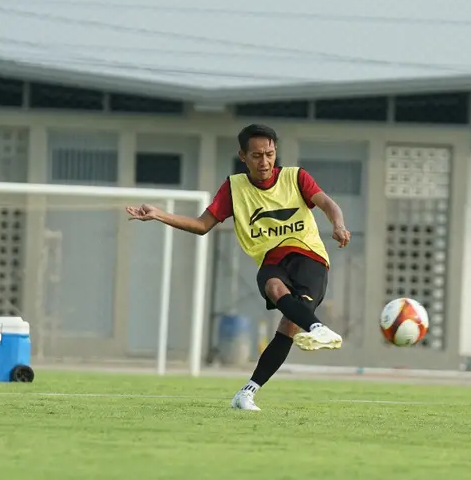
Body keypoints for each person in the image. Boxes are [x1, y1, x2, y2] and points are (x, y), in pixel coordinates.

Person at [126, 123, 350, 411]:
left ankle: (246, 392)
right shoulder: (234, 188)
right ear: (243, 156)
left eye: (269, 154)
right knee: (272, 287)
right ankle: (317, 328)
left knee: (289, 324)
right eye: (256, 155)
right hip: (271, 260)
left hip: (309, 256)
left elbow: (329, 205)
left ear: (275, 152)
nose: (265, 162)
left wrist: (339, 224)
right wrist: (159, 215)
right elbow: (201, 225)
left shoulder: (296, 178)